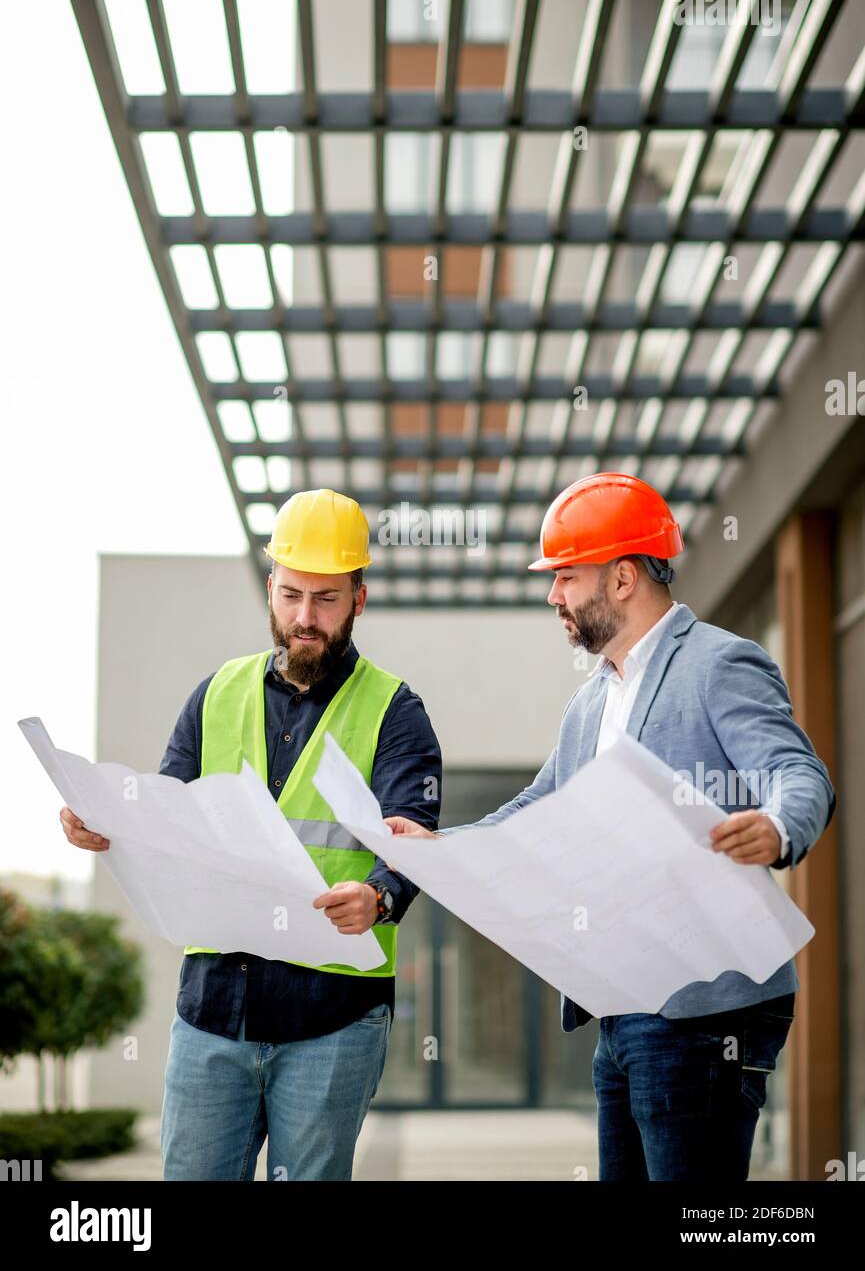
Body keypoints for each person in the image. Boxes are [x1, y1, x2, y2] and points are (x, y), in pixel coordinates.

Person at [385, 471, 835, 1181]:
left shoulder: (717, 664)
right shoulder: (590, 702)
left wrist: (779, 827)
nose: (551, 596)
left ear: (622, 577)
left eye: (564, 576)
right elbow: (535, 808)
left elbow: (798, 773)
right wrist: (447, 849)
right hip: (622, 1009)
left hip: (701, 1008)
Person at [60, 487, 441, 1180]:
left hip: (331, 1017)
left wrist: (380, 896)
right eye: (291, 595)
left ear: (359, 598)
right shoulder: (215, 695)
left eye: (326, 599)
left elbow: (414, 837)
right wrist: (104, 824)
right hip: (212, 1011)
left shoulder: (394, 709)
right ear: (270, 589)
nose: (304, 617)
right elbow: (161, 813)